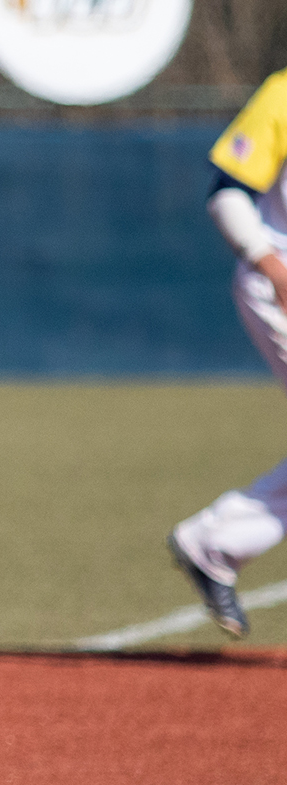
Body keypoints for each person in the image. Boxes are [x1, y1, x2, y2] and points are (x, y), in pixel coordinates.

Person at [171, 66, 287, 638]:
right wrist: (272, 266)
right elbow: (228, 192)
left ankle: (213, 542)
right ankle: (214, 542)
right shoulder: (284, 94)